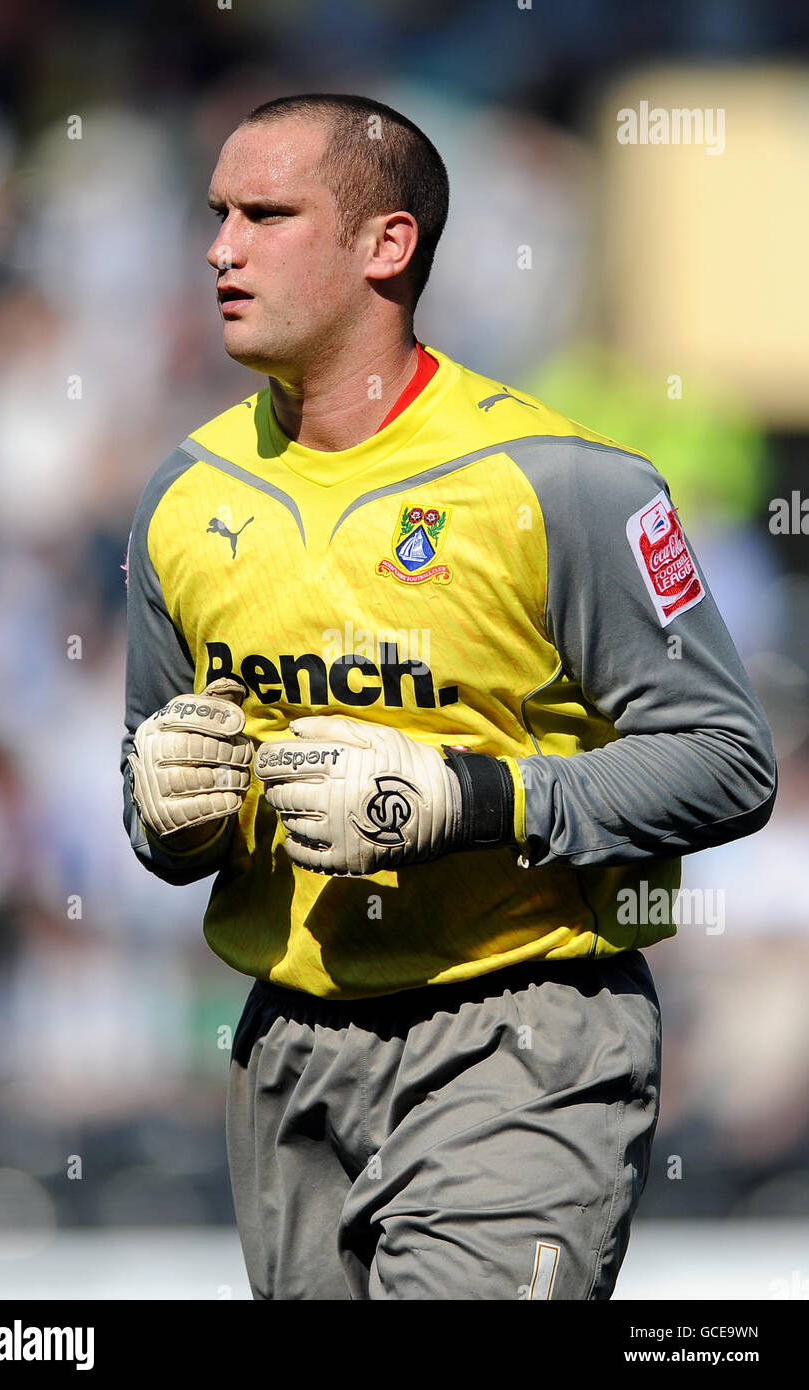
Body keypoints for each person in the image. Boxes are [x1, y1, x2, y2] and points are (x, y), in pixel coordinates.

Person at [120, 93, 777, 1300]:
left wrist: (464, 798)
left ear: (386, 245)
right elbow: (160, 802)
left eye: (266, 214)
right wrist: (162, 808)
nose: (221, 247)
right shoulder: (182, 492)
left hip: (521, 1027)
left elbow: (726, 760)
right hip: (289, 1042)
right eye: (216, 213)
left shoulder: (560, 482)